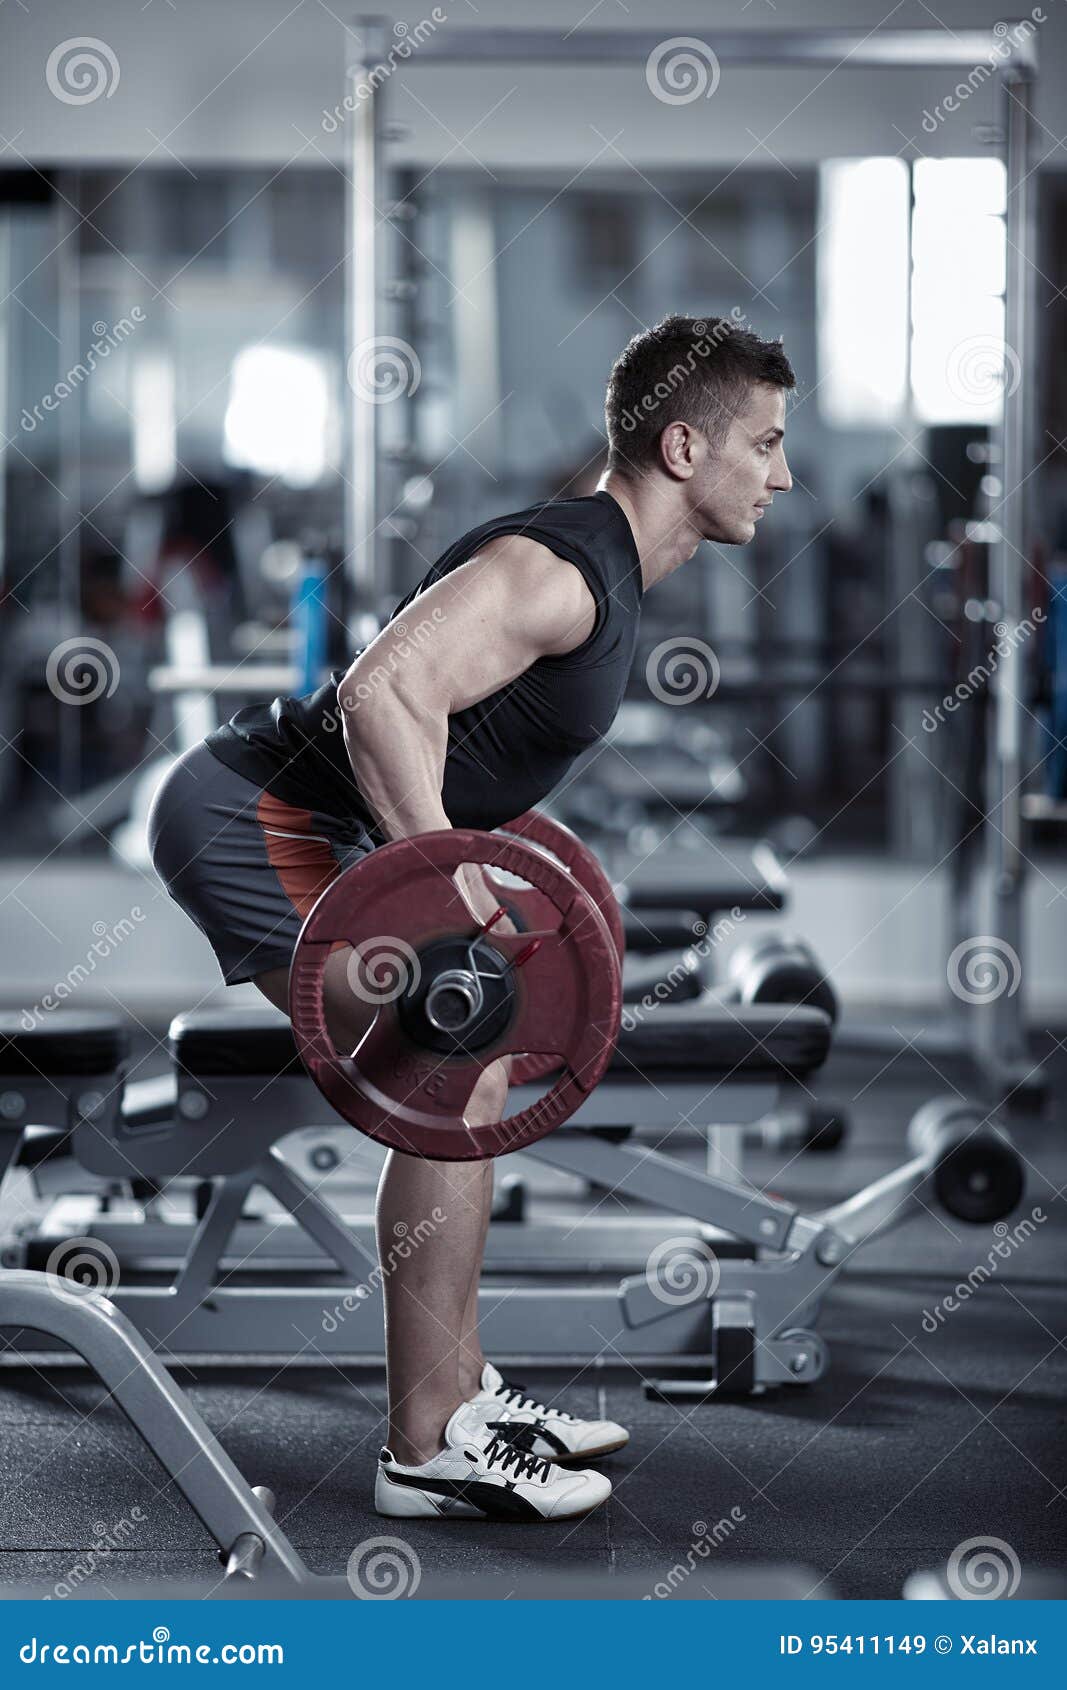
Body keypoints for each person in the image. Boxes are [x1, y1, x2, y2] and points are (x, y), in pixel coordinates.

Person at [148, 314, 794, 1522]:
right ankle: (421, 1447)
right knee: (450, 1052)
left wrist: (497, 873)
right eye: (761, 443)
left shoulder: (607, 570)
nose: (782, 471)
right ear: (681, 446)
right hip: (253, 819)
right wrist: (444, 878)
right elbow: (384, 691)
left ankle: (456, 1396)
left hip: (310, 827)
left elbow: (446, 736)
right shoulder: (564, 569)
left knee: (477, 1060)